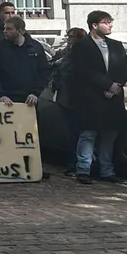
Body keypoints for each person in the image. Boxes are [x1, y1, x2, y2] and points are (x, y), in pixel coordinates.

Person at [69, 10, 127, 185]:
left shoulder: (117, 45)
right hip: (92, 97)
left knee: (109, 135)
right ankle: (83, 169)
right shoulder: (82, 46)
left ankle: (106, 170)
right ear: (94, 25)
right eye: (106, 22)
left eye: (110, 22)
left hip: (113, 97)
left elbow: (124, 69)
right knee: (88, 134)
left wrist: (116, 86)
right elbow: (83, 71)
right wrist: (106, 85)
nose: (110, 25)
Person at [0, 16, 50, 108]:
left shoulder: (35, 47)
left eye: (9, 29)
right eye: (4, 28)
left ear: (20, 31)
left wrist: (36, 93)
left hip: (30, 99)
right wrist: (1, 94)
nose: (5, 31)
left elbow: (43, 72)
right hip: (6, 99)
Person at [50, 27, 87, 176]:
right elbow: (51, 67)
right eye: (69, 36)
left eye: (73, 37)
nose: (70, 39)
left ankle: (80, 165)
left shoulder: (84, 55)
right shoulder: (63, 53)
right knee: (70, 134)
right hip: (64, 97)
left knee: (80, 134)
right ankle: (72, 164)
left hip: (81, 98)